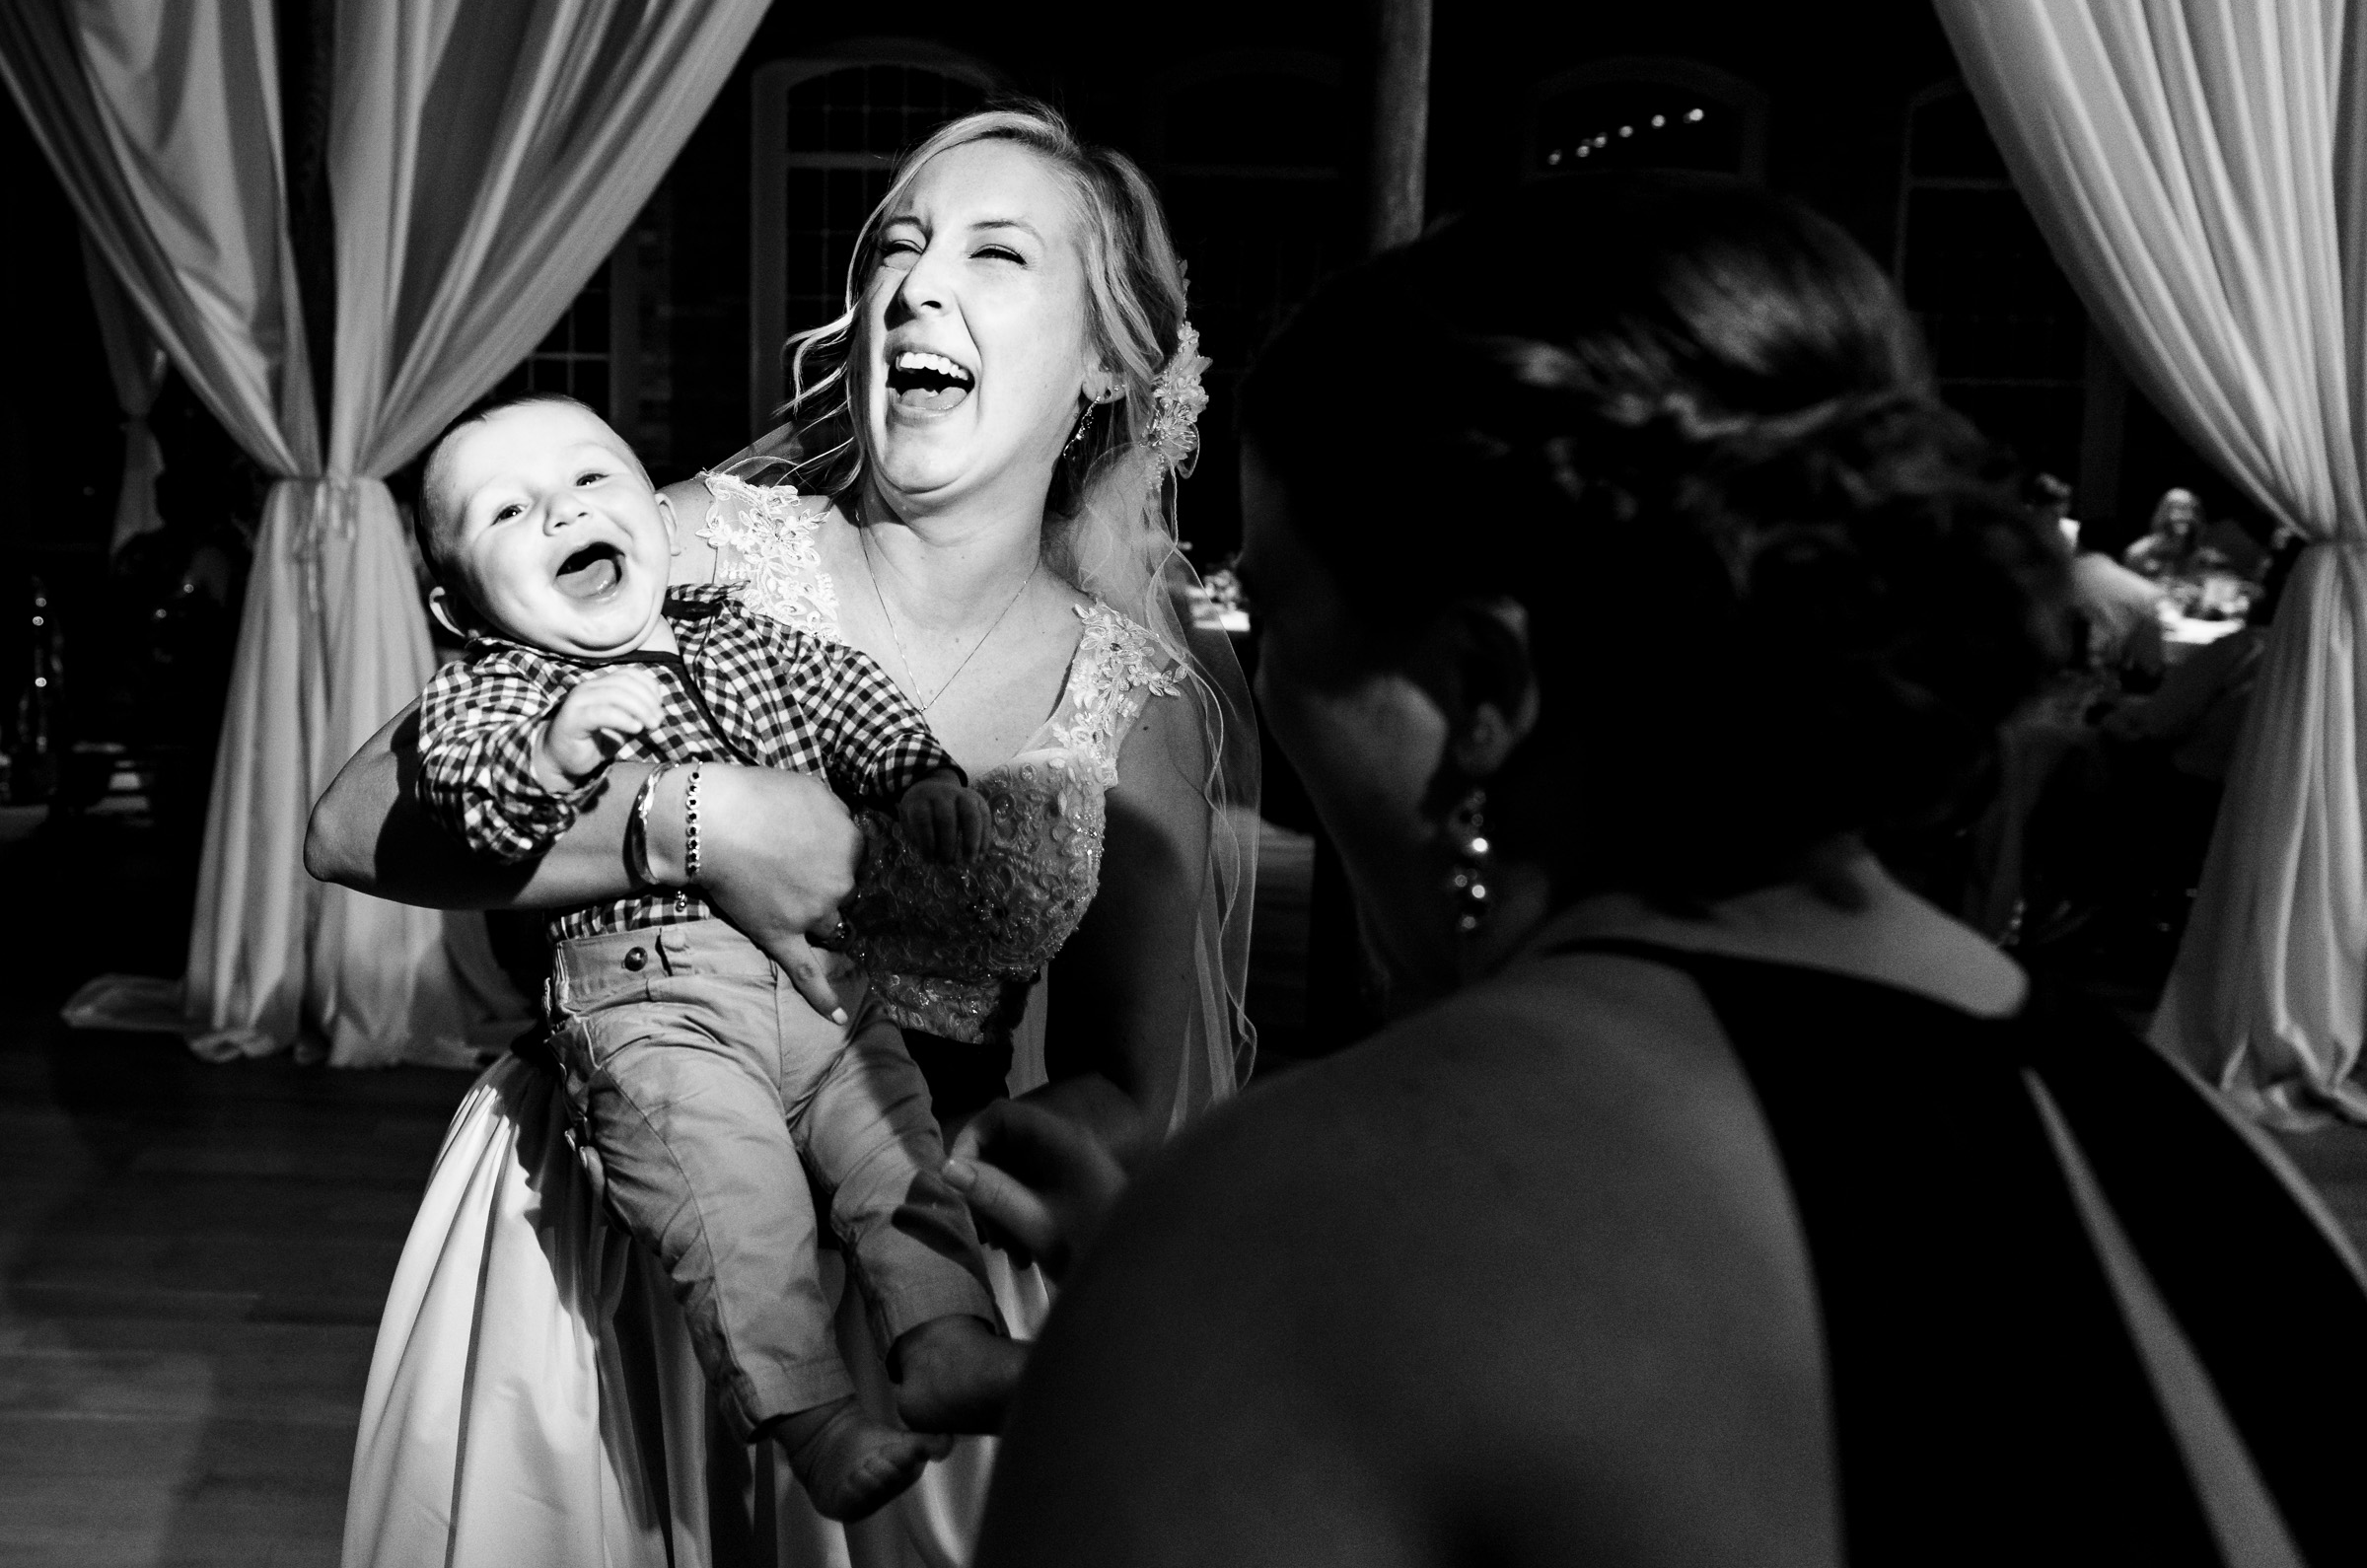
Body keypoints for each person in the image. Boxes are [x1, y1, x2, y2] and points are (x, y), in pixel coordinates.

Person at [954, 173, 2367, 1566]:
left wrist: (1179, 1322)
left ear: (1481, 684)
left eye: (1278, 621)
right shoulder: (2221, 1171)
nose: (1259, 694)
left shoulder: (1306, 1242)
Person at [311, 102, 1255, 1566]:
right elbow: (352, 822)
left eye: (996, 254)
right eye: (896, 248)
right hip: (600, 1233)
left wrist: (1013, 1143)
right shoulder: (697, 542)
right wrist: (683, 823)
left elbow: (1139, 1080)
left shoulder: (1137, 705)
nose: (917, 285)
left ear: (1104, 365)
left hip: (916, 1264)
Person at [410, 392, 1020, 1520]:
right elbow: (455, 800)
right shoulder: (499, 687)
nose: (560, 511)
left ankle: (945, 1335)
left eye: (592, 480)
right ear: (458, 605)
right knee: (736, 1212)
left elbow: (852, 697)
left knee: (900, 1155)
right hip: (652, 1006)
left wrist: (917, 774)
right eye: (509, 509)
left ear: (651, 507)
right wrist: (549, 754)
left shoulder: (741, 634)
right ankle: (816, 1420)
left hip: (823, 994)